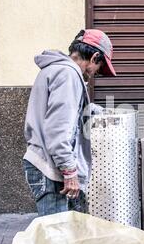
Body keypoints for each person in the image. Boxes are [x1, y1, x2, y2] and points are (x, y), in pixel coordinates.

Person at [22, 29, 116, 216]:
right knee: (56, 238)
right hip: (50, 167)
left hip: (45, 163)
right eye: (99, 69)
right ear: (94, 57)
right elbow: (58, 129)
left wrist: (92, 110)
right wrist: (70, 172)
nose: (95, 74)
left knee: (62, 234)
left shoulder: (55, 69)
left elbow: (60, 114)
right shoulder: (69, 75)